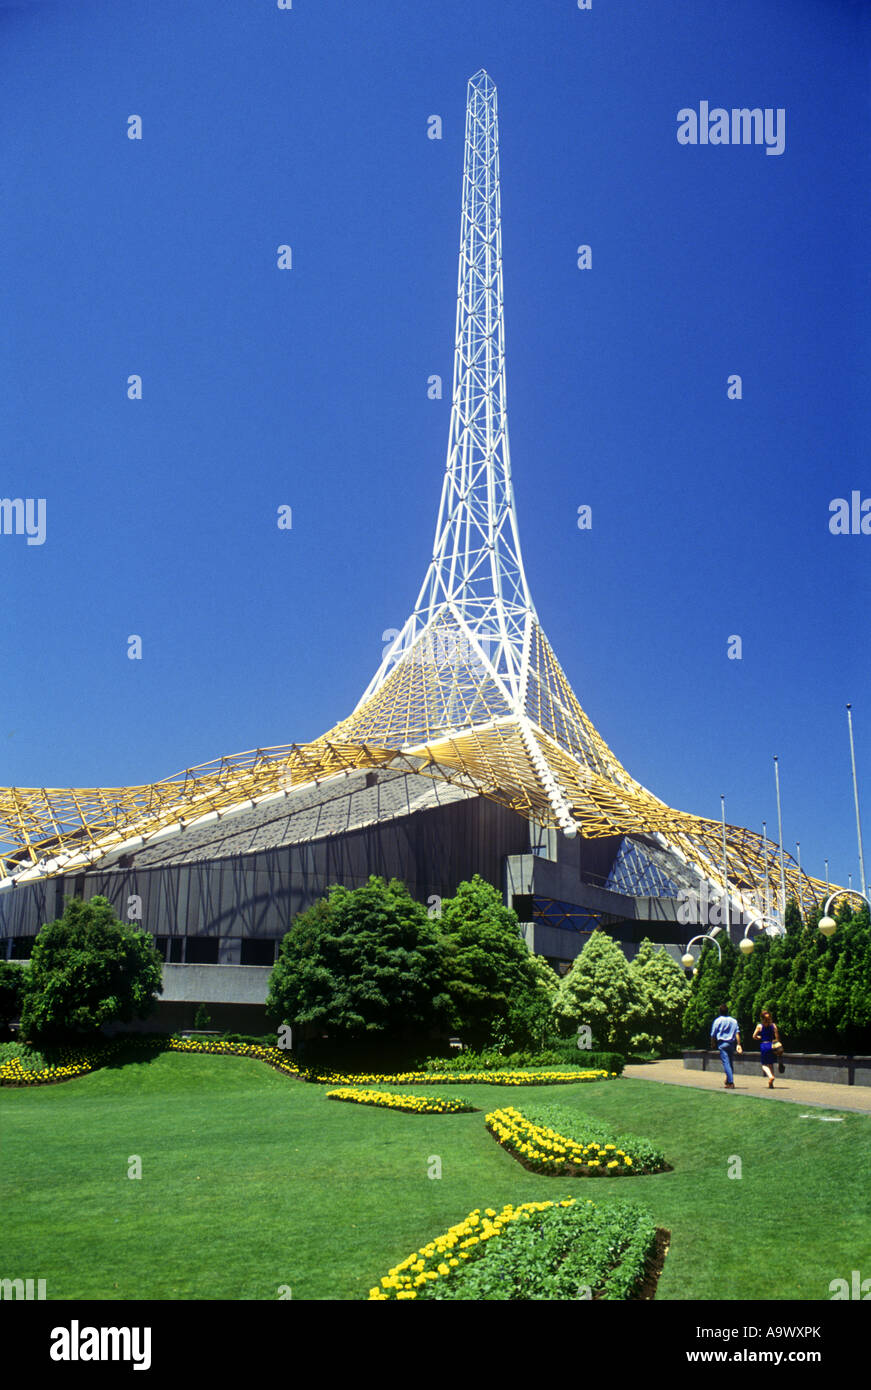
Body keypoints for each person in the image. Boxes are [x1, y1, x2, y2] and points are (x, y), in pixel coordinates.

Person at [710, 1006, 741, 1088]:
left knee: (726, 1063)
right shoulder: (734, 1021)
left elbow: (713, 1034)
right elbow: (737, 1033)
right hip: (731, 1043)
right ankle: (728, 1080)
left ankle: (731, 1082)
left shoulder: (717, 1021)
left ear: (719, 1011)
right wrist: (739, 1044)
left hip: (722, 1043)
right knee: (730, 1063)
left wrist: (713, 1043)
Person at [753, 1010, 782, 1088]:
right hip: (772, 1045)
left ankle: (770, 1076)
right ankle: (771, 1082)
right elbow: (777, 1037)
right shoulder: (773, 1025)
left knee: (764, 1065)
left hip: (764, 1045)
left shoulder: (759, 1026)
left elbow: (754, 1036)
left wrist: (759, 1037)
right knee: (771, 1064)